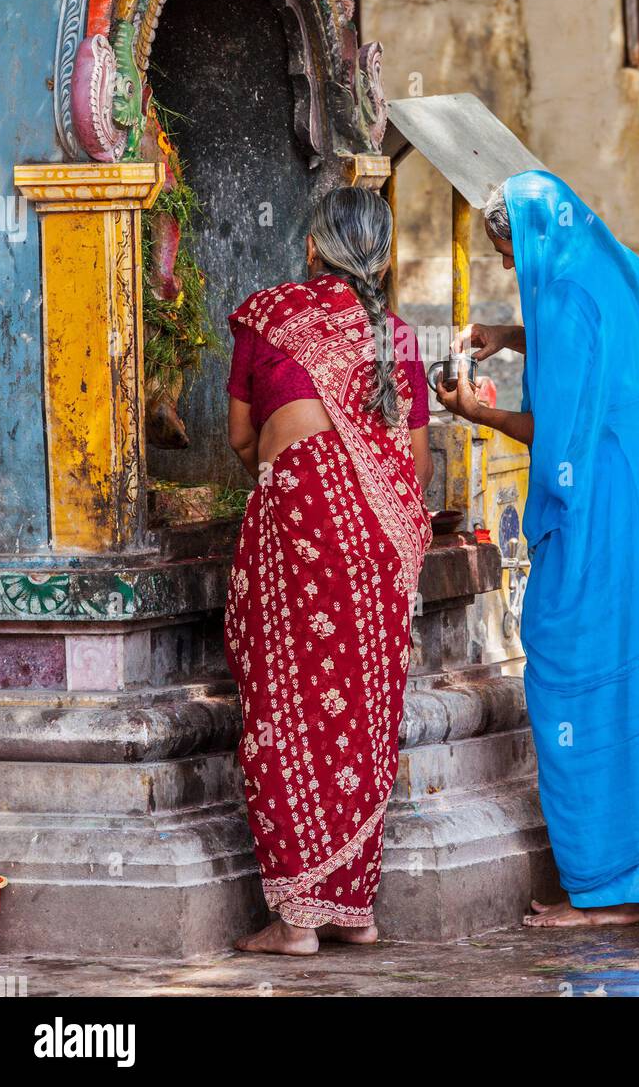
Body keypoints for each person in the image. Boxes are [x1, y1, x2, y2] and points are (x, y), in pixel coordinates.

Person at [434, 170, 639, 929]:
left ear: (531, 240)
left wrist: (472, 411)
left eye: (506, 252)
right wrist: (509, 335)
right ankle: (629, 878)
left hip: (611, 510)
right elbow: (601, 337)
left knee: (577, 669)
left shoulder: (560, 295)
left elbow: (558, 436)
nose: (504, 267)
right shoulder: (616, 266)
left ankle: (605, 894)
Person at [225, 186, 432, 954]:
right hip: (382, 546)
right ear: (383, 258)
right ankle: (356, 910)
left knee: (286, 709)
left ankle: (297, 922)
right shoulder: (400, 338)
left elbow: (243, 441)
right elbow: (413, 468)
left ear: (312, 248)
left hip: (300, 531)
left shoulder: (267, 316)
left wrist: (301, 468)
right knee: (364, 718)